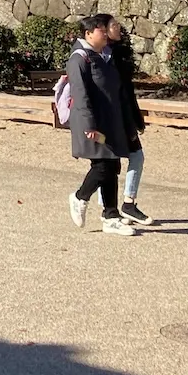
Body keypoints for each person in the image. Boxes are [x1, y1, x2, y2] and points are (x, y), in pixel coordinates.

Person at [66, 12, 135, 236]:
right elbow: (80, 94)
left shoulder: (103, 56)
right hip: (92, 122)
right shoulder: (80, 59)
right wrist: (89, 124)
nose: (106, 34)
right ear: (88, 34)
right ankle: (80, 197)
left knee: (112, 164)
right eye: (101, 31)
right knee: (103, 165)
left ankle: (111, 216)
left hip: (109, 121)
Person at [102, 16, 152, 226]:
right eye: (114, 25)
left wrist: (135, 118)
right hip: (112, 118)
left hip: (125, 115)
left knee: (135, 157)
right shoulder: (102, 57)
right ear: (103, 30)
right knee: (109, 163)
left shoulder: (119, 54)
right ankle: (109, 207)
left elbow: (127, 91)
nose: (119, 28)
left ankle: (126, 203)